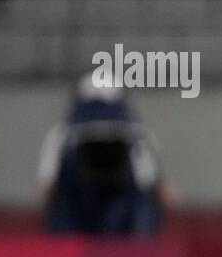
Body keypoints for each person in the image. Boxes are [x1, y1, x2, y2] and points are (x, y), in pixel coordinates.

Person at [38, 73, 168, 235]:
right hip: (79, 215)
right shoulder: (61, 135)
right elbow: (155, 186)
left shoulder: (61, 134)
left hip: (119, 216)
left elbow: (45, 187)